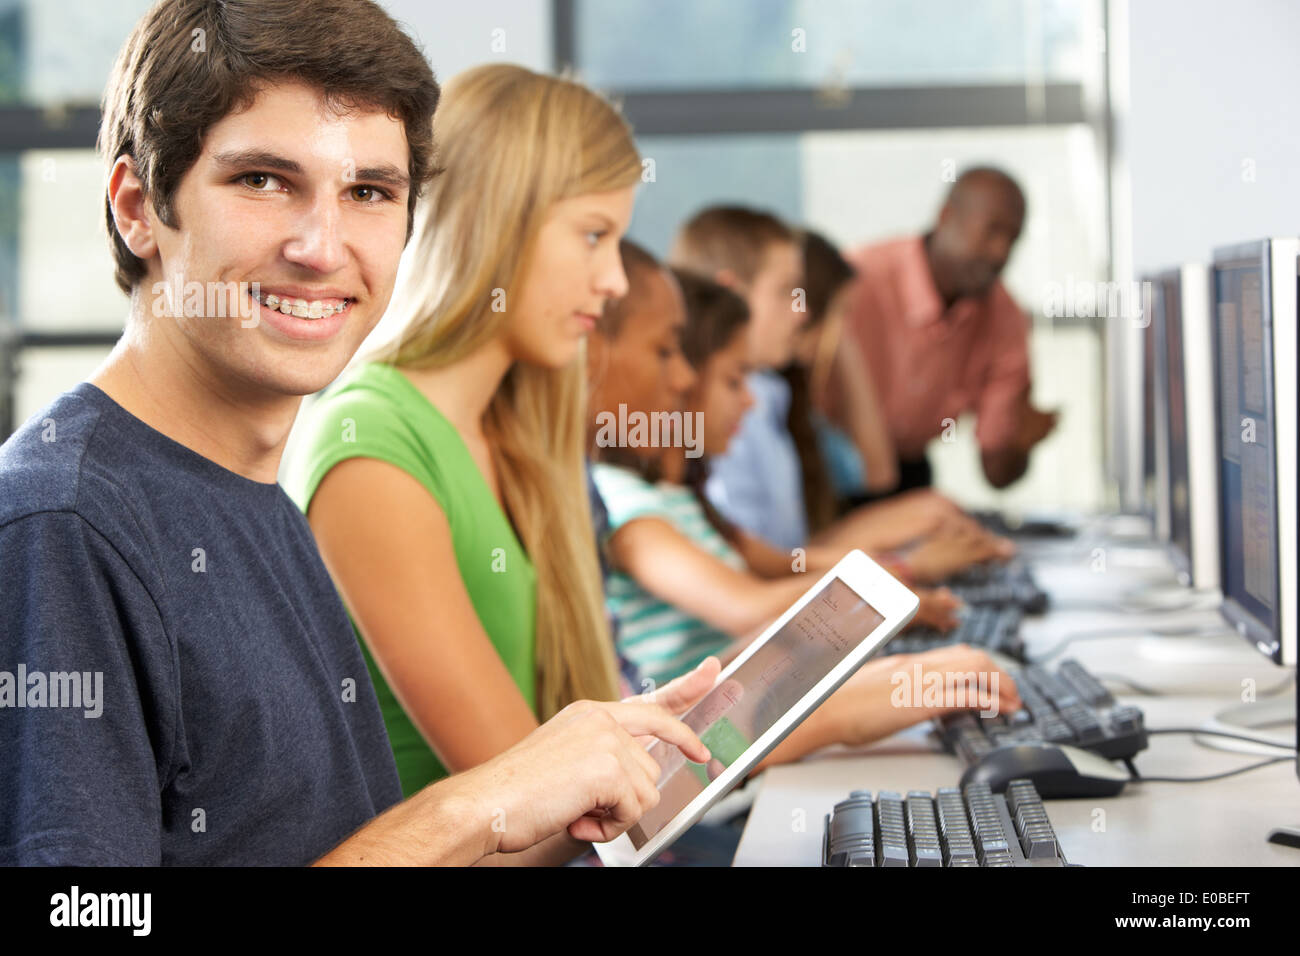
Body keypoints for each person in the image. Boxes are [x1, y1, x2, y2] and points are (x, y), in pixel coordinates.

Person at [0, 0, 710, 867]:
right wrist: (480, 803)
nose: (322, 246)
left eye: (369, 192)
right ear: (139, 208)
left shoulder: (253, 489)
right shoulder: (62, 525)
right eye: (263, 180)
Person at [588, 259, 1020, 761]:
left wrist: (887, 590)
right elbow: (746, 606)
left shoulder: (686, 499)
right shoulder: (627, 510)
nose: (748, 402)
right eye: (733, 380)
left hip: (725, 735)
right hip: (702, 755)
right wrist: (894, 582)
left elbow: (784, 564)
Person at [669, 205, 1013, 572]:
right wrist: (903, 567)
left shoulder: (769, 395)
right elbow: (751, 572)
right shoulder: (723, 413)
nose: (802, 313)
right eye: (788, 292)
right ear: (732, 292)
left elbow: (777, 558)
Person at [823, 167, 1059, 497]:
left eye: (1013, 239)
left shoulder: (1006, 318)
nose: (1001, 253)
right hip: (826, 471)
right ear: (946, 216)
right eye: (991, 232)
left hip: (909, 474)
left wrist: (1019, 445)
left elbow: (997, 474)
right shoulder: (856, 280)